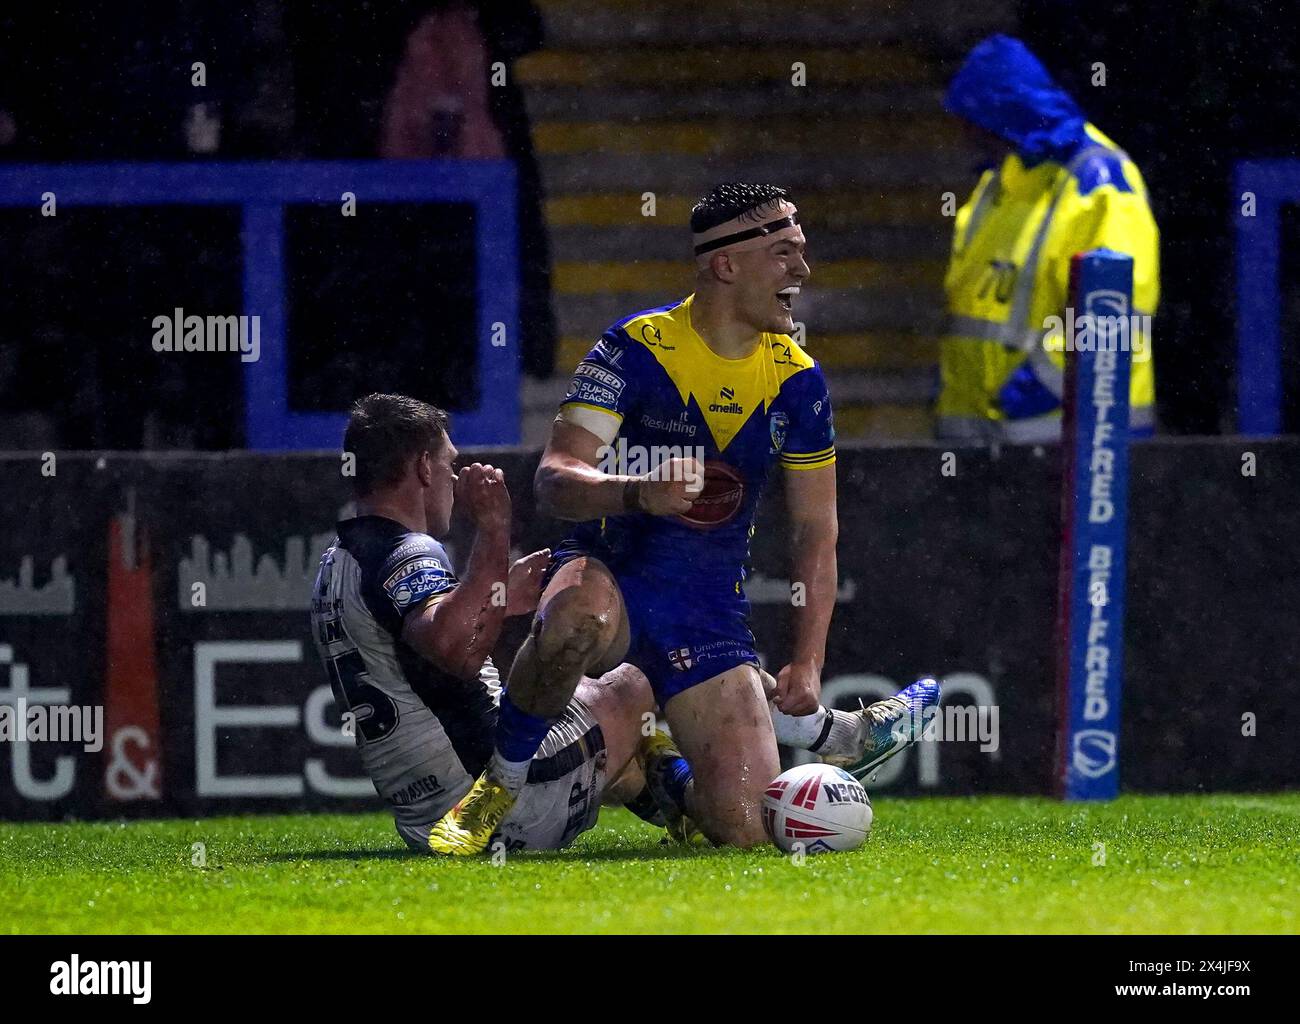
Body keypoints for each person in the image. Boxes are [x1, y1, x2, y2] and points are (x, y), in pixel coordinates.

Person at [428, 183, 941, 855]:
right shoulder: (635, 349)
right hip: (608, 577)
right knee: (575, 618)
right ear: (725, 265)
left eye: (803, 253)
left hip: (705, 616)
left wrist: (809, 662)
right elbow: (555, 478)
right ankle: (498, 785)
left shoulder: (798, 382)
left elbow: (818, 533)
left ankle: (679, 766)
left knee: (749, 832)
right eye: (783, 253)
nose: (801, 272)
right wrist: (637, 493)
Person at [310, 393, 663, 853]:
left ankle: (685, 809)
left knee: (577, 711)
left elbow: (418, 645)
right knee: (640, 677)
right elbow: (459, 649)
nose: (454, 481)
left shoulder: (337, 562)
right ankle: (705, 801)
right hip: (498, 803)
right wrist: (495, 527)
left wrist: (498, 596)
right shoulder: (408, 551)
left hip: (426, 823)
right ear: (422, 468)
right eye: (449, 465)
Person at [936, 34, 1159, 442]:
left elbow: (1114, 312)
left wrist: (1034, 387)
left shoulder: (1098, 185)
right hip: (991, 439)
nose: (965, 135)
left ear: (996, 117)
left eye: (972, 122)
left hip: (1083, 445)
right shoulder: (998, 184)